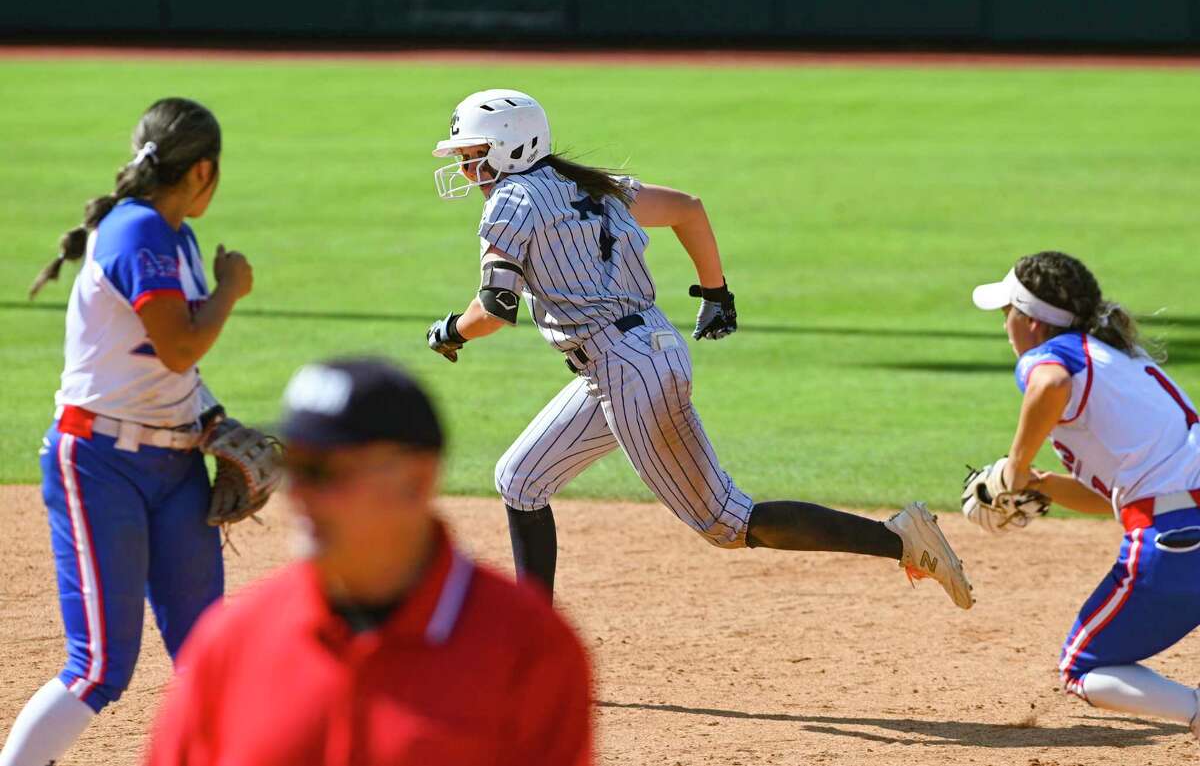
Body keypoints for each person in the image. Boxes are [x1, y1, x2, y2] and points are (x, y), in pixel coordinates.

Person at [424, 88, 974, 610]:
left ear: (509, 148)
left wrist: (452, 330)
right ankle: (532, 640)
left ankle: (900, 539)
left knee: (727, 523)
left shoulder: (509, 203)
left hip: (627, 369)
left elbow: (495, 309)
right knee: (520, 480)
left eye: (474, 155)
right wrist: (716, 293)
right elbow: (688, 208)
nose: (468, 170)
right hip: (636, 356)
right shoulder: (592, 183)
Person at [144, 357, 593, 766]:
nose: (297, 495)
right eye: (294, 468)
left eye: (324, 472)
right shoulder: (233, 641)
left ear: (417, 480)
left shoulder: (527, 649)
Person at [1, 98, 253, 766]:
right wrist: (230, 288)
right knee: (100, 665)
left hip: (173, 465)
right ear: (203, 170)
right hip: (99, 463)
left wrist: (211, 419)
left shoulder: (176, 236)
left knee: (208, 654)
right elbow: (177, 345)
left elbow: (160, 368)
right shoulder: (137, 232)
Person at [971, 251, 1200, 740]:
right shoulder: (1116, 360)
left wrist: (1012, 470)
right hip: (1180, 516)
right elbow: (1112, 499)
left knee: (1082, 667)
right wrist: (1037, 483)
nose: (1005, 325)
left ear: (1031, 322)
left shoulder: (1051, 357)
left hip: (1178, 541)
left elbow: (1048, 383)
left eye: (1007, 313)